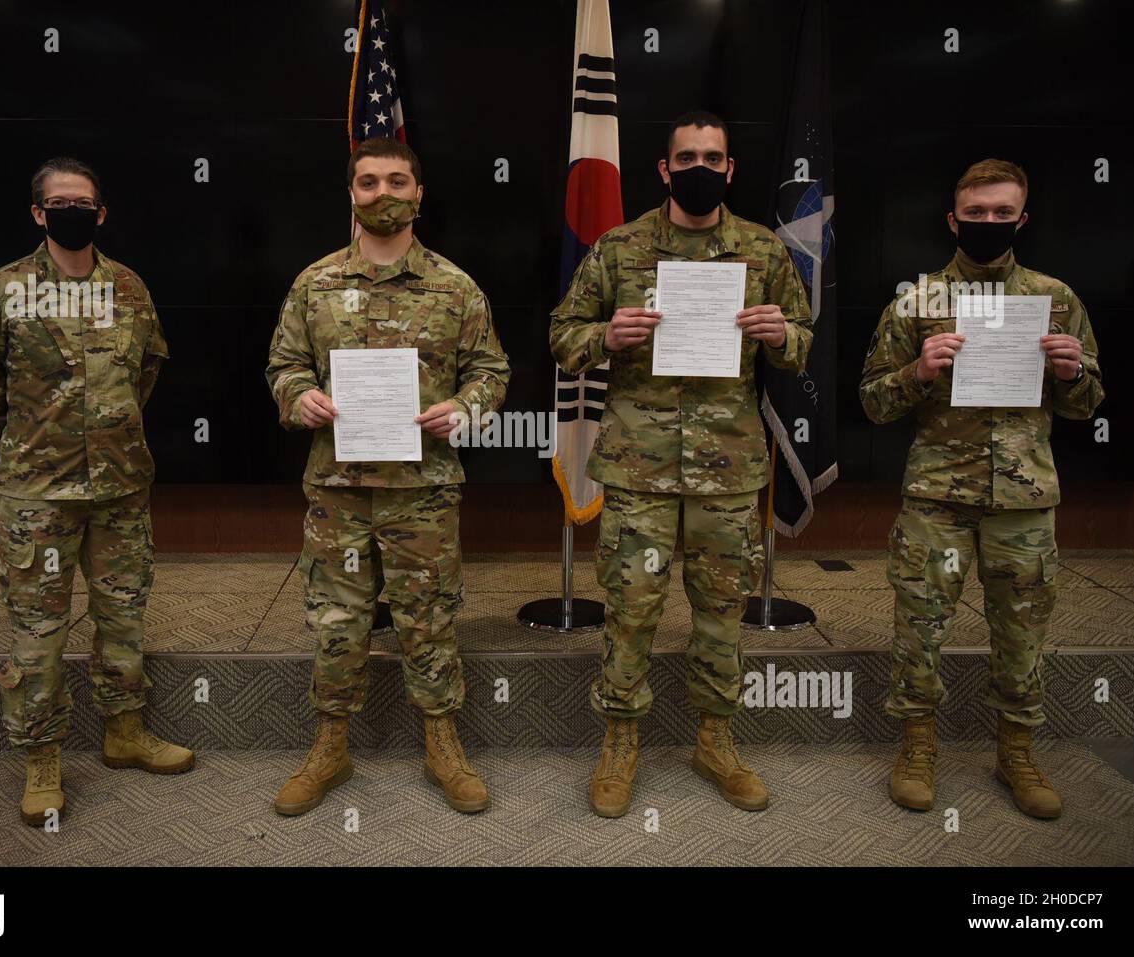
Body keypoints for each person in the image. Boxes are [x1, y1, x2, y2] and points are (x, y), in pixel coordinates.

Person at [549, 111, 813, 817]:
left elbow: (805, 340)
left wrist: (783, 333)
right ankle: (620, 743)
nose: (701, 166)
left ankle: (716, 739)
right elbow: (561, 335)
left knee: (722, 614)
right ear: (665, 170)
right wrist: (605, 333)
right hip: (638, 468)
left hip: (728, 471)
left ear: (731, 169)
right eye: (687, 156)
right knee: (631, 612)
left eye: (714, 156)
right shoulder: (619, 247)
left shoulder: (762, 251)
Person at [0, 157, 193, 827]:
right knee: (38, 634)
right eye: (59, 201)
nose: (71, 210)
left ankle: (124, 731)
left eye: (83, 201)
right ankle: (42, 759)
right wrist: (14, 438)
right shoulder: (6, 290)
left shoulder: (130, 289)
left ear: (101, 212)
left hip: (118, 489)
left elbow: (148, 366)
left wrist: (108, 429)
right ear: (38, 213)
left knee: (123, 617)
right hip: (38, 497)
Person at [266, 137, 510, 816]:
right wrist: (298, 396)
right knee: (337, 622)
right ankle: (330, 747)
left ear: (419, 193)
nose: (383, 194)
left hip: (422, 491)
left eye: (396, 181)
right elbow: (282, 364)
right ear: (351, 193)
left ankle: (442, 743)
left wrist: (465, 408)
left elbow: (492, 372)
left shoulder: (456, 287)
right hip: (338, 490)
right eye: (368, 182)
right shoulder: (314, 284)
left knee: (428, 619)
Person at [860, 158, 1103, 819]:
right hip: (936, 498)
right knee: (919, 630)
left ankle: (1017, 751)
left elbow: (1088, 406)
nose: (988, 223)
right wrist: (916, 369)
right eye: (976, 213)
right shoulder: (917, 302)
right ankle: (916, 746)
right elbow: (873, 403)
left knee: (1023, 633)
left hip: (1023, 503)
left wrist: (1074, 372)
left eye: (1002, 213)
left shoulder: (1056, 300)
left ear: (1022, 219)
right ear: (953, 219)